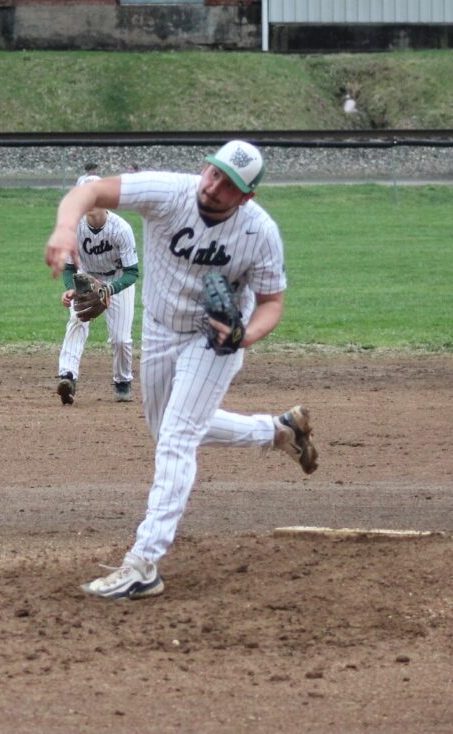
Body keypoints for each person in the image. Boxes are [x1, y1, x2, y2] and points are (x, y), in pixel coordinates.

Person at [44, 140, 319, 600]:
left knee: (175, 438)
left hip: (214, 339)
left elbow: (272, 304)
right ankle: (279, 432)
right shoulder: (170, 193)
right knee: (167, 428)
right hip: (160, 329)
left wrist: (243, 336)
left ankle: (144, 562)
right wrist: (63, 229)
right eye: (213, 173)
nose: (213, 187)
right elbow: (88, 194)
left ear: (246, 196)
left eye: (228, 184)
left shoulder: (259, 232)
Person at [56, 174, 140, 405]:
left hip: (118, 280)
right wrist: (70, 288)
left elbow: (132, 272)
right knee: (77, 321)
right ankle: (68, 377)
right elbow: (69, 266)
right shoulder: (74, 228)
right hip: (86, 278)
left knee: (121, 339)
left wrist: (109, 290)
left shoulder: (121, 229)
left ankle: (122, 381)